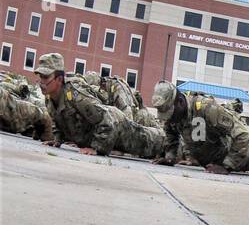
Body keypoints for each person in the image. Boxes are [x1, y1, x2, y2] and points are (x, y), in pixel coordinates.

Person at [152, 81, 249, 177]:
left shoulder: (206, 108)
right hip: (214, 159)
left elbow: (242, 135)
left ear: (179, 102)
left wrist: (227, 166)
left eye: (170, 113)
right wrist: (170, 156)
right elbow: (171, 133)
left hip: (245, 154)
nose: (169, 118)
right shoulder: (174, 115)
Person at [35, 54, 164, 158]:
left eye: (45, 77)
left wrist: (97, 148)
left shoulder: (76, 95)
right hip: (107, 135)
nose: (42, 82)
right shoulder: (50, 97)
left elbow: (107, 118)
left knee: (151, 143)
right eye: (40, 77)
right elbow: (58, 120)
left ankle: (177, 145)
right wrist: (57, 140)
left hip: (118, 129)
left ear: (59, 79)